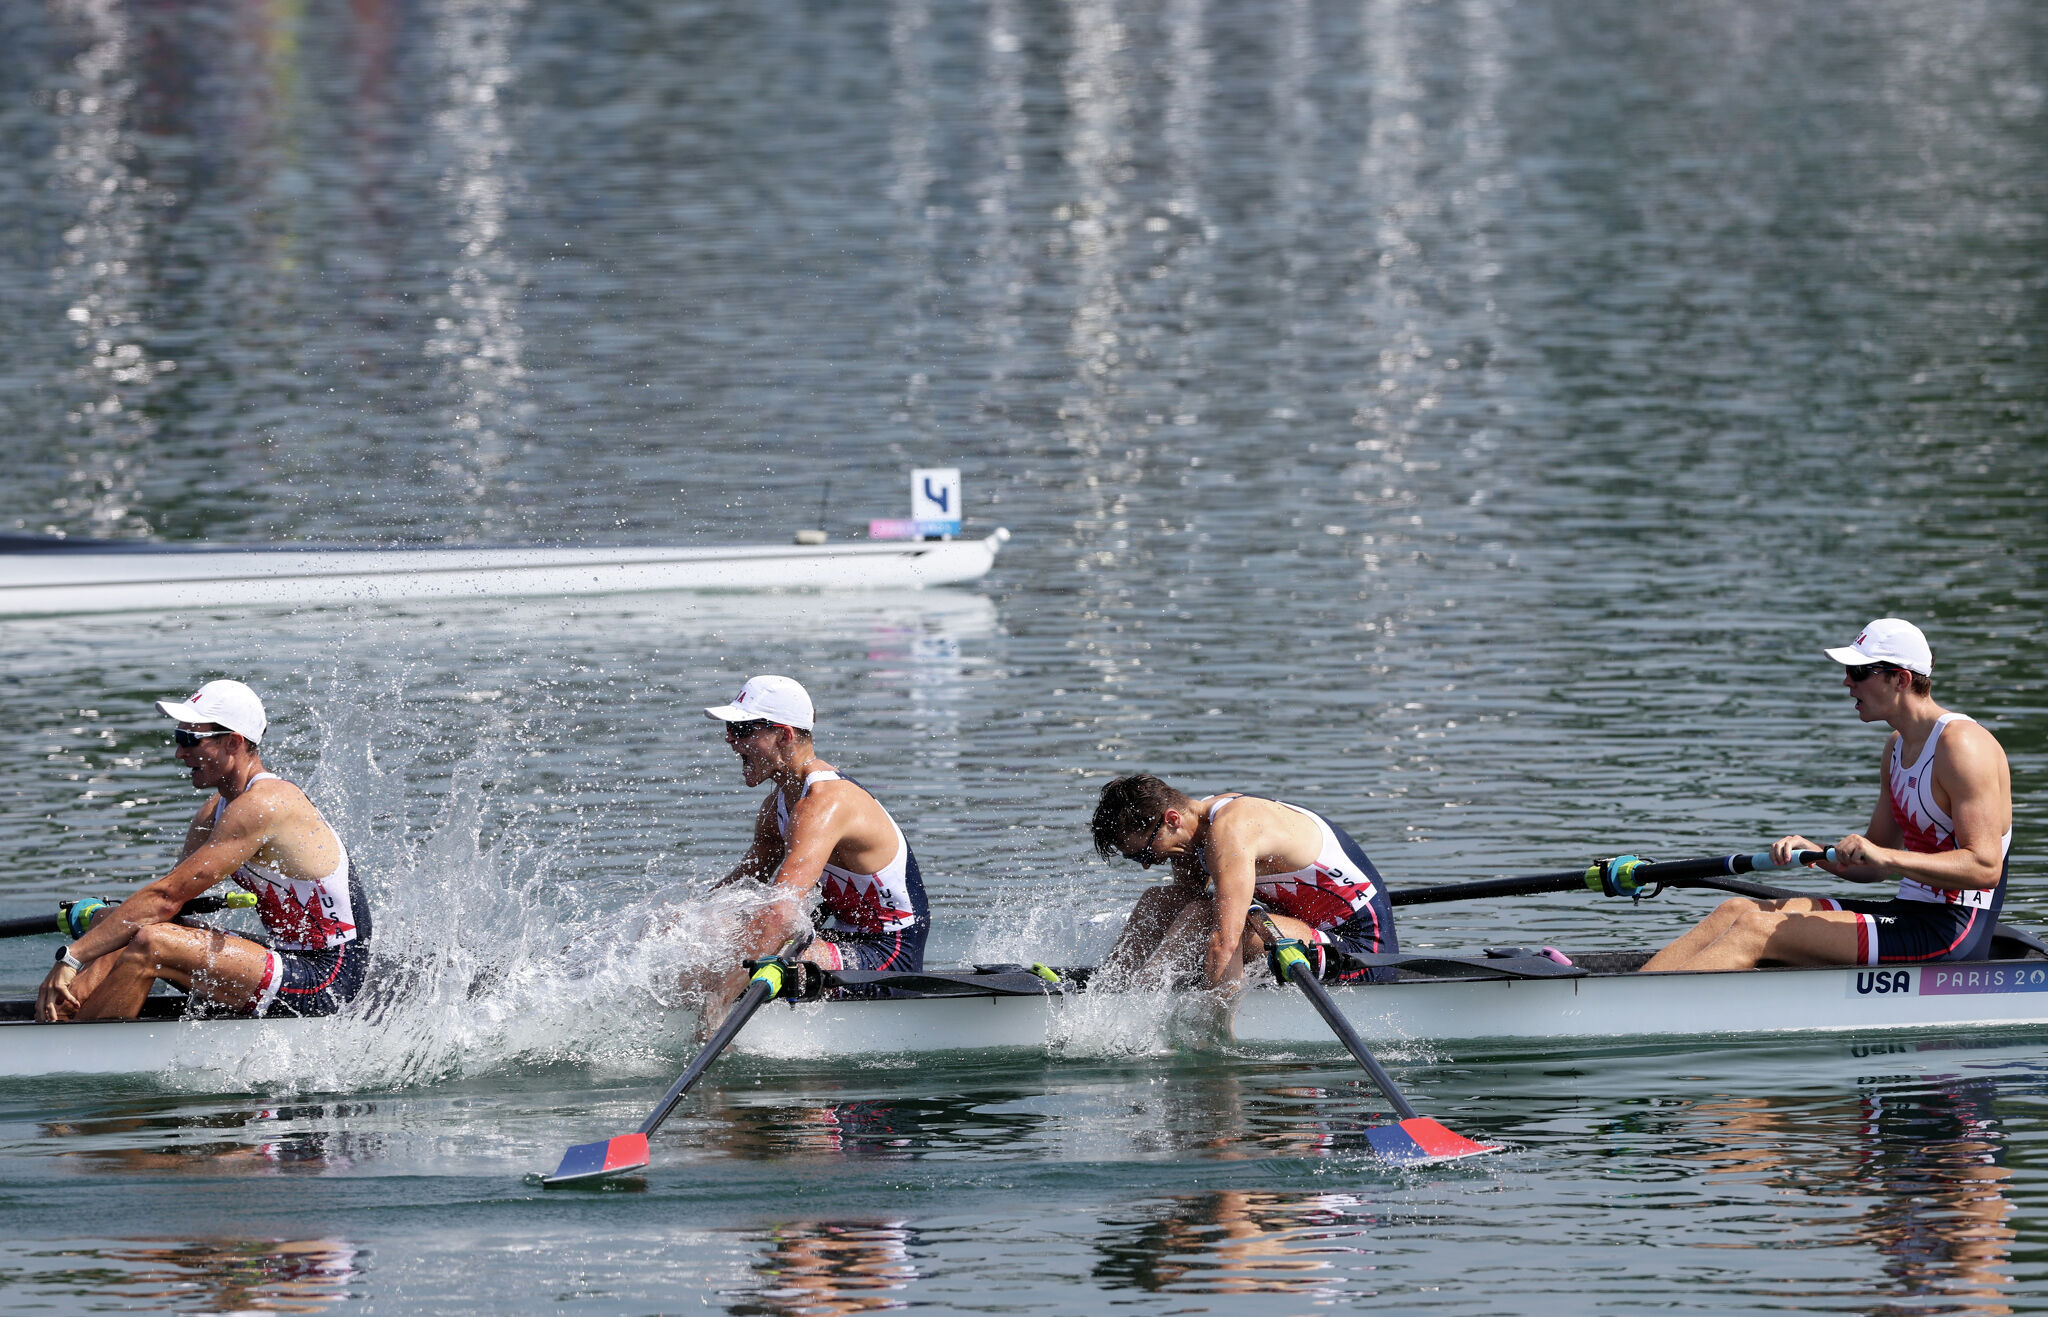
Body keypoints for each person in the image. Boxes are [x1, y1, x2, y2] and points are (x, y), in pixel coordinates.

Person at [1643, 618, 2012, 973]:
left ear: (1901, 679)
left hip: (1952, 931)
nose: (1846, 682)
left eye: (1859, 673)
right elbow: (1873, 865)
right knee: (1736, 910)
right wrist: (1815, 853)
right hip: (1908, 912)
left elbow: (1985, 867)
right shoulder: (1896, 746)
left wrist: (1884, 855)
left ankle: (1642, 1013)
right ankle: (1634, 996)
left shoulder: (1963, 746)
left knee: (1755, 932)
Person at [36, 679, 373, 1021]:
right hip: (288, 956)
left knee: (153, 943)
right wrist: (97, 926)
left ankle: (81, 1050)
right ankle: (62, 1015)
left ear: (233, 742)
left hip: (329, 977)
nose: (179, 753)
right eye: (177, 739)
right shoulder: (214, 811)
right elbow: (161, 906)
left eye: (189, 740)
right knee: (133, 925)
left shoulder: (266, 803)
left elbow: (166, 897)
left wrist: (72, 956)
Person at [697, 675, 930, 1016]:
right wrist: (685, 923)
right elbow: (739, 889)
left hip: (890, 955)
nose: (731, 740)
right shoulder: (775, 806)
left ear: (785, 735)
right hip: (842, 937)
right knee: (706, 938)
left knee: (734, 961)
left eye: (743, 729)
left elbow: (781, 911)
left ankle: (714, 1022)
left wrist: (720, 1001)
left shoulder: (825, 804)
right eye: (730, 729)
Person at [1091, 774, 1399, 993]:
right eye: (1135, 858)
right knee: (1157, 903)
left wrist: (1210, 1036)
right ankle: (1109, 989)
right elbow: (1182, 917)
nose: (1146, 863)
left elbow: (1224, 941)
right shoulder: (1189, 836)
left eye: (1144, 852)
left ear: (1172, 819)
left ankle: (1139, 1003)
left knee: (1204, 919)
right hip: (1302, 930)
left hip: (1361, 950)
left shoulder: (1231, 830)